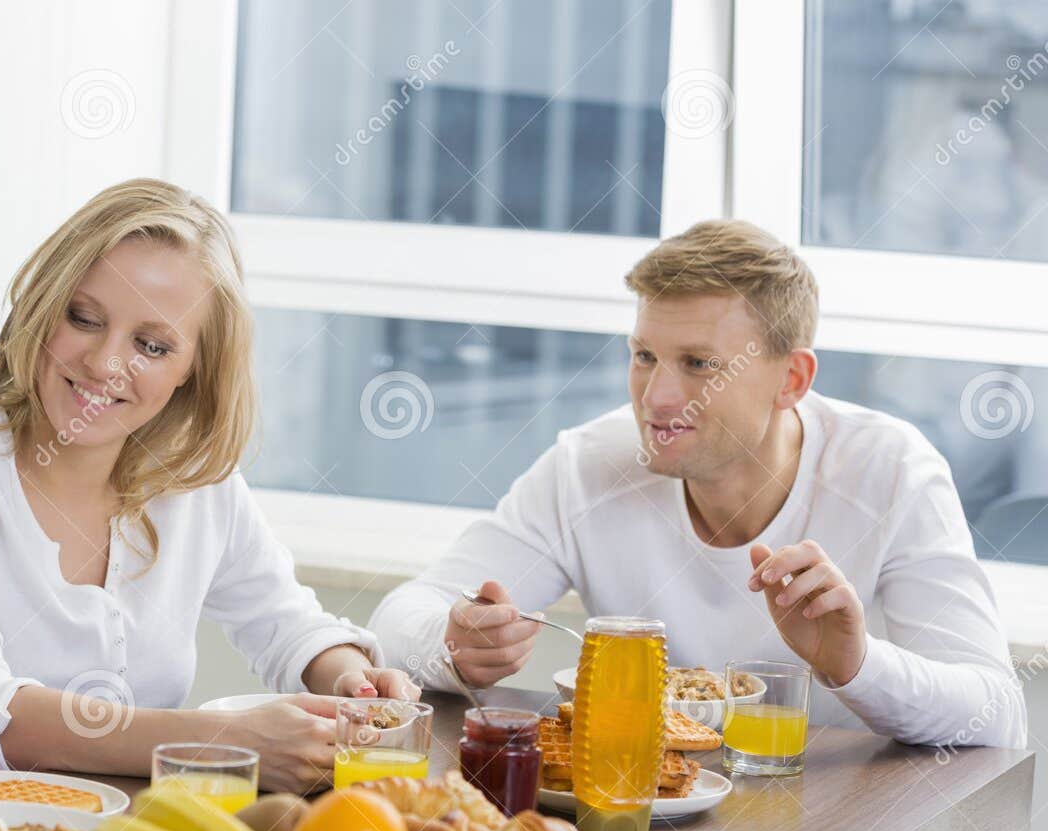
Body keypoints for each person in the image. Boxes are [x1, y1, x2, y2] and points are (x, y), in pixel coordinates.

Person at [0, 179, 414, 819]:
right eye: (83, 318)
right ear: (41, 307)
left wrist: (350, 685)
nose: (105, 362)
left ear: (193, 367)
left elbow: (289, 627)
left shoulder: (196, 485)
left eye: (152, 345)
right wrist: (228, 742)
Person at [370, 218, 1024, 750]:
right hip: (654, 816)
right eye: (644, 356)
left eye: (698, 364)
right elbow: (402, 614)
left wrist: (856, 664)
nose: (656, 397)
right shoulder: (587, 466)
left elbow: (996, 714)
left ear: (791, 379)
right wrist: (455, 644)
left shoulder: (891, 473)